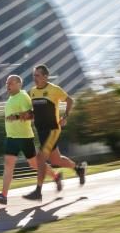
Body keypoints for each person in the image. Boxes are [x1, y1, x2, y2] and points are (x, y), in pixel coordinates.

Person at [0, 75, 62, 205]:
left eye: (10, 83)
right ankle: (3, 196)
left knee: (34, 164)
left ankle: (55, 177)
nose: (7, 85)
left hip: (24, 137)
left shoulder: (23, 97)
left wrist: (16, 117)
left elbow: (32, 114)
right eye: (6, 83)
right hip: (11, 137)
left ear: (18, 84)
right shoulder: (11, 98)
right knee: (8, 165)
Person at [23, 64, 86, 200]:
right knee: (56, 160)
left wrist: (65, 116)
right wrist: (28, 115)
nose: (35, 78)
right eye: (34, 75)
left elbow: (70, 100)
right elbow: (36, 111)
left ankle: (38, 192)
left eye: (38, 75)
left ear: (46, 77)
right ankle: (79, 169)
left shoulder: (54, 89)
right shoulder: (33, 91)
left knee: (40, 159)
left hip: (53, 129)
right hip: (41, 131)